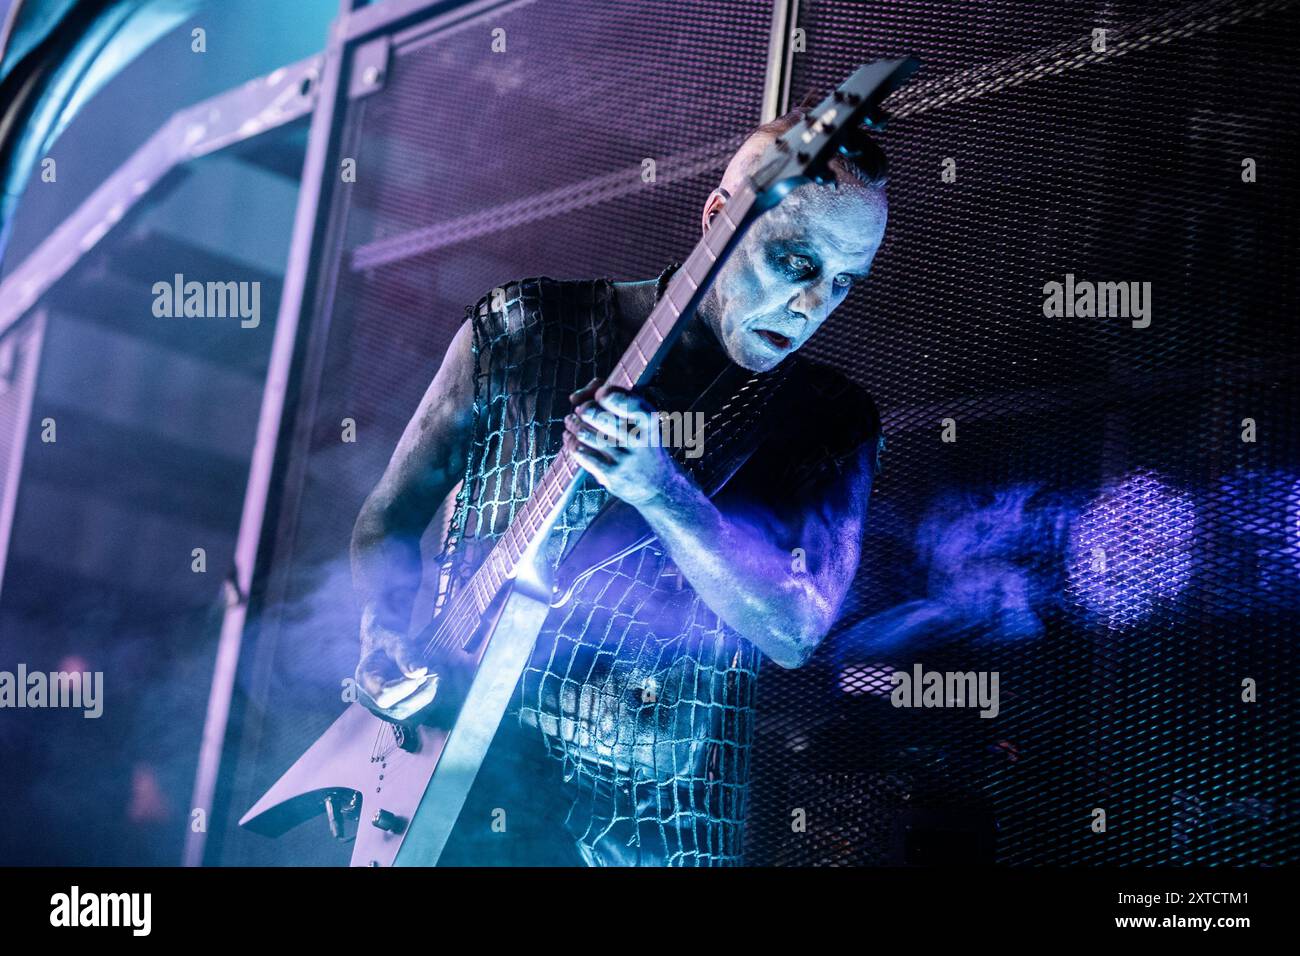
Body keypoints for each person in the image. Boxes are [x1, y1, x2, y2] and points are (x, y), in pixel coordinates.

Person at [349, 102, 889, 865]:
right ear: (720, 218)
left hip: (647, 838)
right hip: (447, 786)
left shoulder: (827, 420)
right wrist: (382, 632)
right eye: (796, 262)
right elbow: (389, 518)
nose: (810, 305)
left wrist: (661, 488)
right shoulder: (524, 328)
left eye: (842, 284)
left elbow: (796, 627)